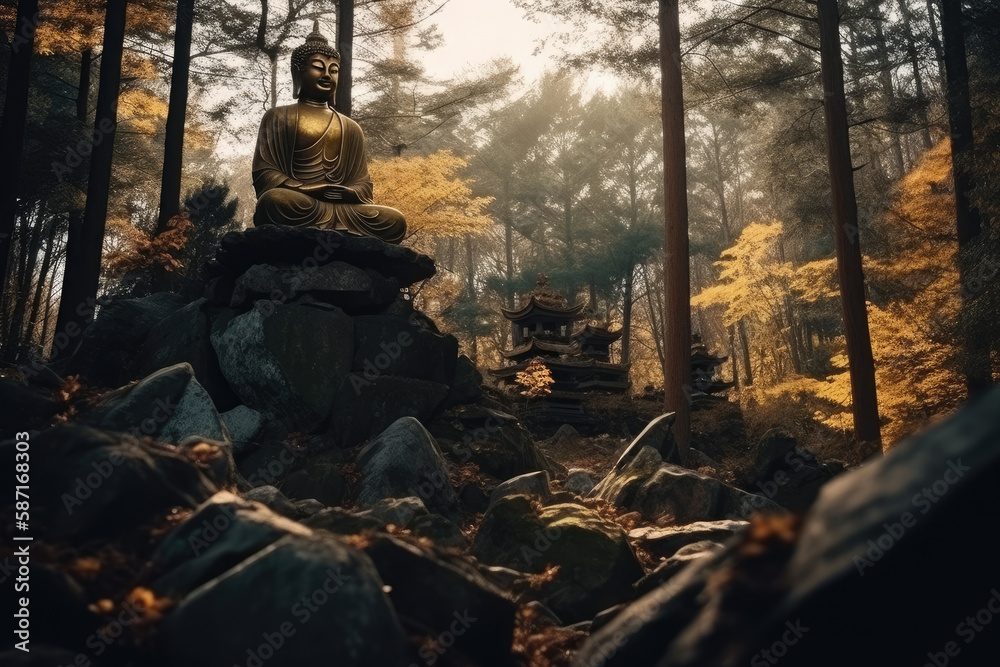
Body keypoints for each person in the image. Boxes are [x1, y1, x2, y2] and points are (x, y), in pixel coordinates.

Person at [251, 22, 406, 244]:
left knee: (395, 220)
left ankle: (335, 227)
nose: (327, 74)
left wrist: (350, 193)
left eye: (333, 70)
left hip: (343, 208)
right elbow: (265, 174)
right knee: (273, 201)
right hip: (302, 202)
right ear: (298, 71)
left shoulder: (350, 127)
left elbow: (363, 184)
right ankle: (334, 230)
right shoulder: (278, 117)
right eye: (318, 67)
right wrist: (311, 189)